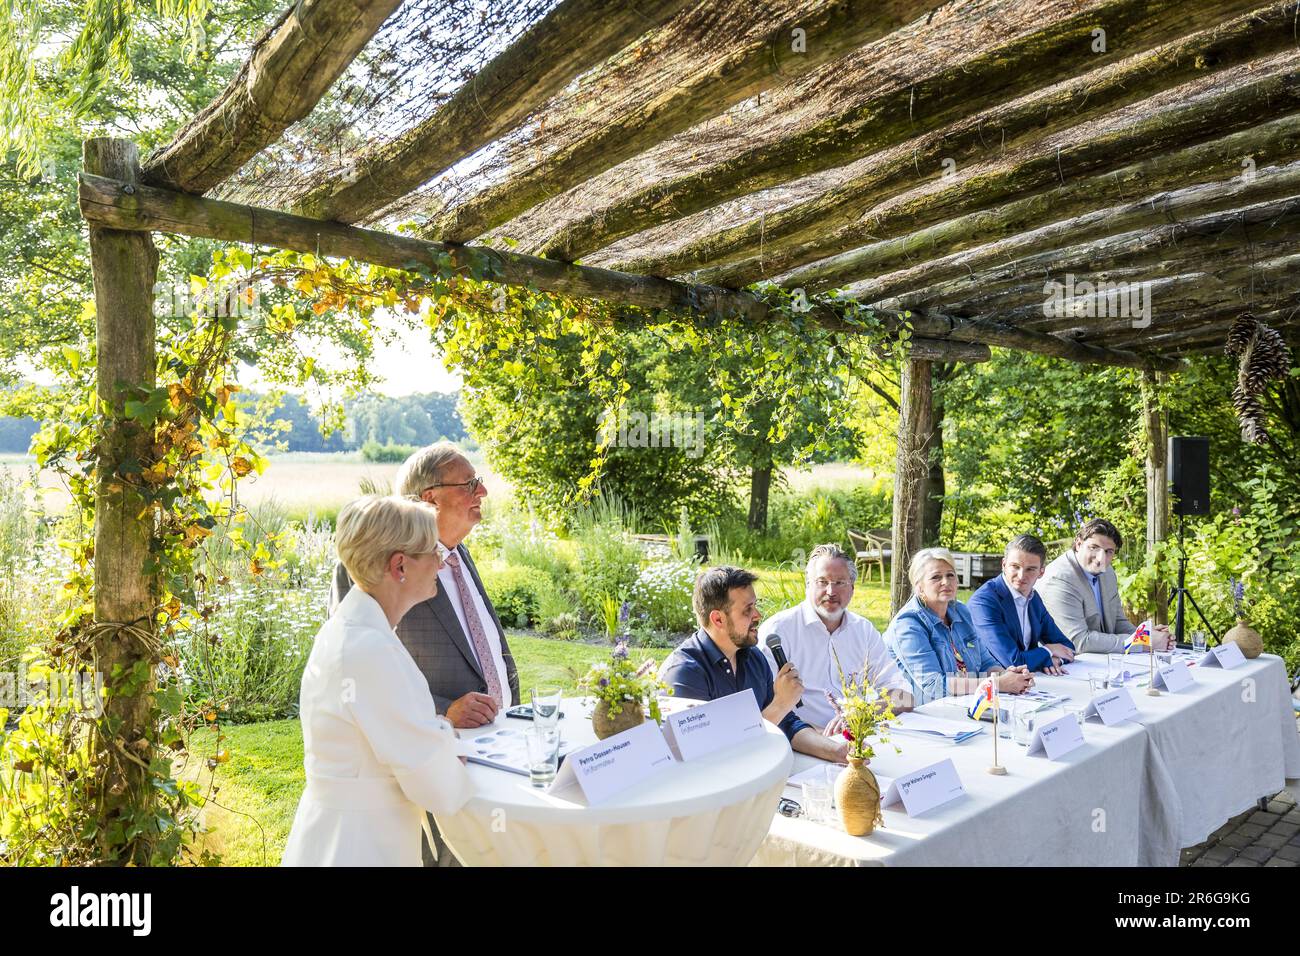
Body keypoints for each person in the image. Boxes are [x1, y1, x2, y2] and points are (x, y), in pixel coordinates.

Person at [282, 495, 473, 867]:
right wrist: (453, 758)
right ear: (399, 565)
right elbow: (434, 785)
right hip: (359, 845)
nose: (440, 560)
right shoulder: (368, 648)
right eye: (431, 551)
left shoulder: (355, 630)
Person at [330, 442, 520, 727]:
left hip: (499, 735)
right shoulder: (376, 565)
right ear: (430, 498)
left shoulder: (459, 553)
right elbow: (352, 671)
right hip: (437, 744)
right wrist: (442, 712)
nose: (482, 491)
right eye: (469, 484)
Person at [660, 566, 848, 763]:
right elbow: (712, 755)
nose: (757, 615)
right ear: (718, 619)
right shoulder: (684, 673)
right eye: (747, 610)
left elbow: (786, 723)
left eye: (755, 606)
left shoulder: (753, 657)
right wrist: (780, 704)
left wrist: (836, 751)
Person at [759, 544, 913, 738]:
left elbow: (904, 696)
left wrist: (862, 714)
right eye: (822, 582)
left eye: (840, 582)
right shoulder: (778, 632)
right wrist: (822, 737)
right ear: (808, 585)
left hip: (859, 737)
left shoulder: (863, 630)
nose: (831, 591)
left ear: (853, 588)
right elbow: (765, 711)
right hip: (800, 741)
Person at [885, 547, 1035, 705]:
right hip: (923, 713)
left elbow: (985, 663)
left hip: (966, 704)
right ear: (919, 586)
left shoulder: (961, 611)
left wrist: (1010, 676)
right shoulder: (908, 625)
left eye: (950, 575)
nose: (946, 582)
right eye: (936, 577)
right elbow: (934, 686)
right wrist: (998, 684)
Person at [1038, 518, 1173, 654]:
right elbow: (1079, 642)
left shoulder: (1107, 572)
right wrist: (1140, 643)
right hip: (1062, 667)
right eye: (1094, 548)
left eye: (1109, 551)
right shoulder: (1059, 579)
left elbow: (1118, 622)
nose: (1100, 558)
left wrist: (1147, 635)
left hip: (1099, 663)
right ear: (1078, 544)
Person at [968, 534, 1076, 674]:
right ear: (1004, 565)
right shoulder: (984, 602)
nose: (1021, 575)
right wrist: (1049, 650)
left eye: (1030, 569)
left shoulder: (1033, 598)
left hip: (1026, 682)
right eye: (1015, 566)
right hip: (989, 685)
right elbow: (1012, 662)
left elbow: (1067, 647)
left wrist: (1056, 660)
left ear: (1041, 572)